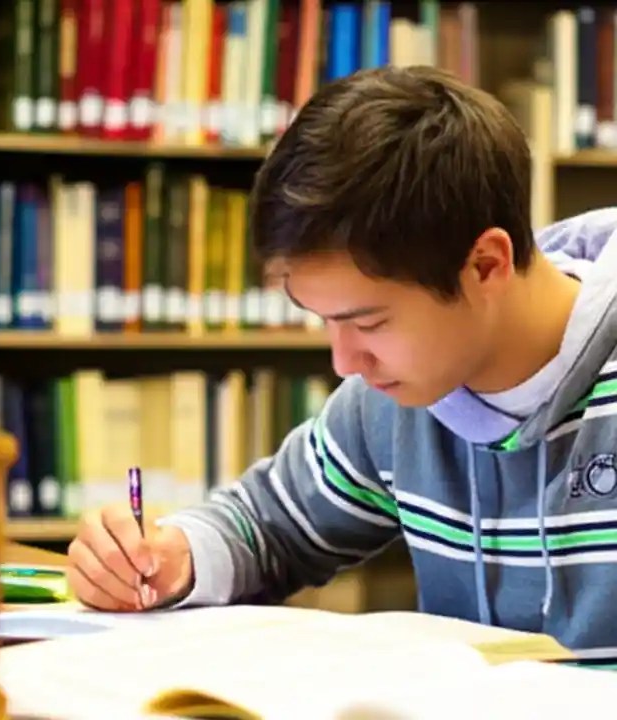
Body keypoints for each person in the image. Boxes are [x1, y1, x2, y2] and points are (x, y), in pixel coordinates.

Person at [67, 64, 617, 664]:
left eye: (368, 322)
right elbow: (266, 523)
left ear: (486, 264)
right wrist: (175, 557)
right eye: (324, 320)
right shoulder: (391, 404)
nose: (344, 361)